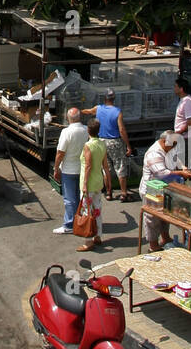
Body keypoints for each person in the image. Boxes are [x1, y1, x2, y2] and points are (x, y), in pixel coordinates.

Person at [81, 90, 132, 202]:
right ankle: (123, 193)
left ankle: (108, 192)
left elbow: (88, 111)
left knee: (106, 168)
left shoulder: (98, 108)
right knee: (120, 167)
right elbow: (122, 130)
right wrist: (128, 145)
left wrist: (80, 110)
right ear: (114, 99)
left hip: (102, 142)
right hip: (115, 142)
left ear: (104, 98)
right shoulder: (118, 112)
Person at [139, 131, 184, 250]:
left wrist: (183, 167)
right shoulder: (154, 152)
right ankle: (153, 245)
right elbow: (161, 173)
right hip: (151, 191)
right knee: (152, 219)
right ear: (164, 141)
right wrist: (180, 173)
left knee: (165, 216)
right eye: (173, 144)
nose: (174, 147)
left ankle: (165, 237)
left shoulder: (169, 148)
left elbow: (176, 158)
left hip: (164, 189)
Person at [53, 107, 88, 234]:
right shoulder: (86, 130)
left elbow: (60, 153)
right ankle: (81, 220)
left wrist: (56, 168)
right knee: (80, 198)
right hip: (82, 169)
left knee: (69, 199)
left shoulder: (66, 132)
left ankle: (69, 225)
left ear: (68, 118)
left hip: (69, 169)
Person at [78, 118, 111, 249]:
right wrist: (108, 180)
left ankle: (88, 242)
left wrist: (85, 184)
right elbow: (106, 165)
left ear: (88, 130)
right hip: (98, 182)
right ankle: (98, 236)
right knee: (97, 210)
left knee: (86, 211)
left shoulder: (88, 146)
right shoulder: (102, 144)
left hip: (89, 182)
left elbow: (88, 166)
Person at [173, 77, 191, 162]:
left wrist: (180, 132)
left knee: (184, 164)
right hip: (183, 137)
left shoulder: (187, 102)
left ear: (181, 89)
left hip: (186, 138)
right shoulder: (183, 100)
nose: (174, 88)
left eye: (176, 86)